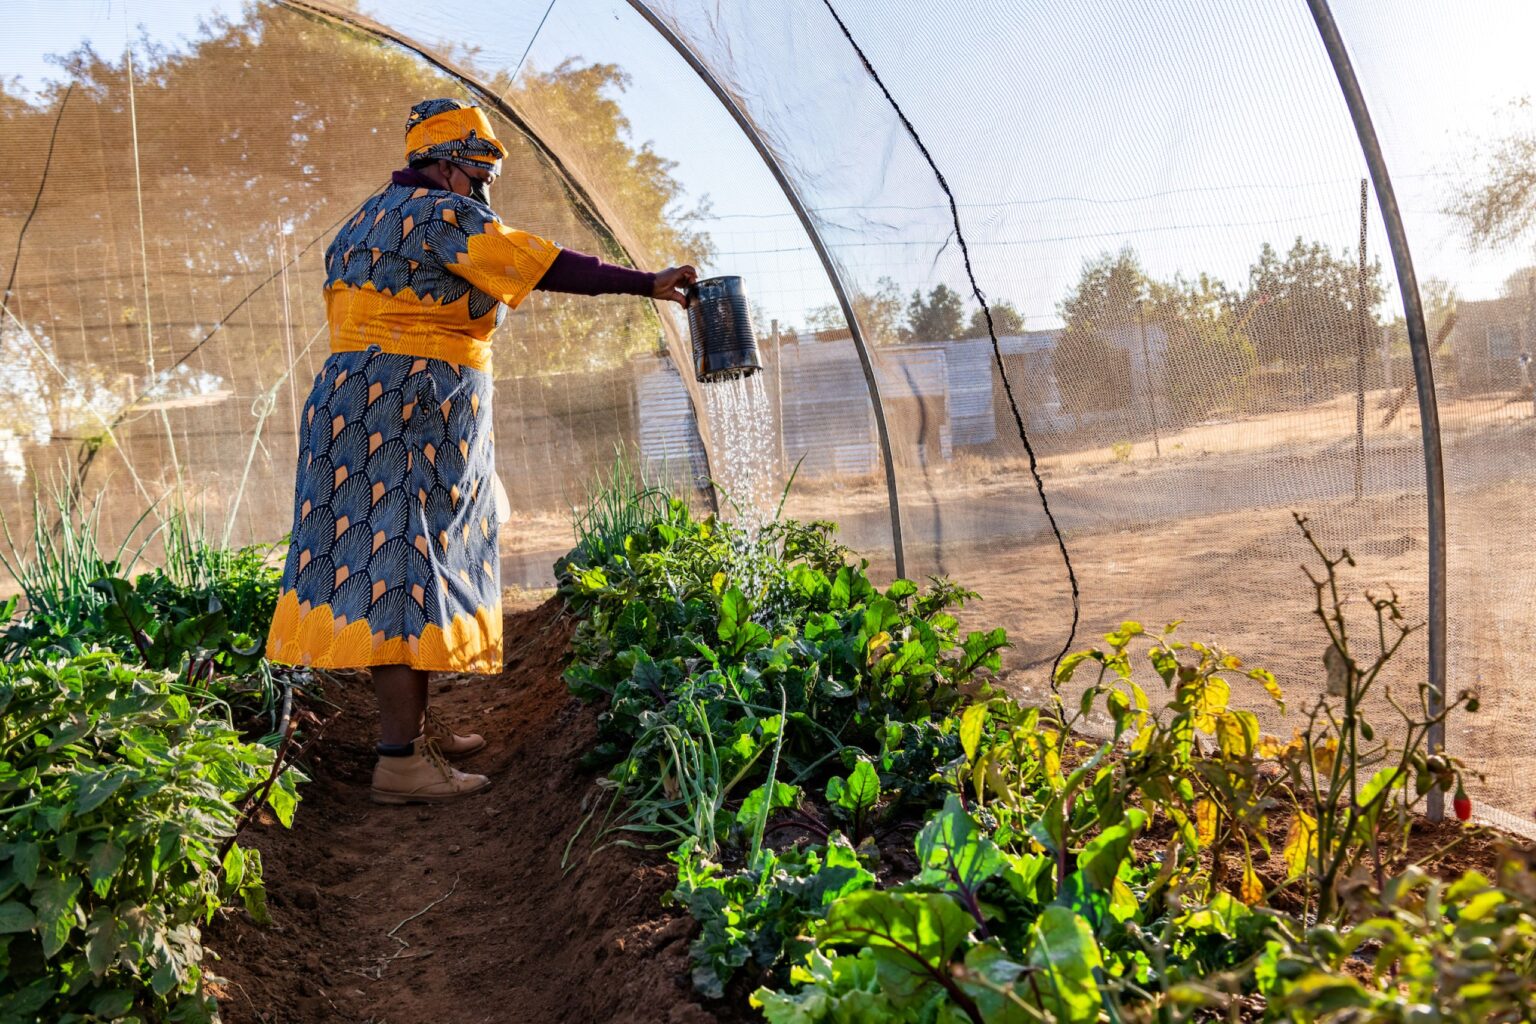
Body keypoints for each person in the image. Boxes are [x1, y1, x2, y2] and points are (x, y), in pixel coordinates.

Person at [265, 98, 696, 804]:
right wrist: (643, 284)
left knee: (398, 561)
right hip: (405, 410)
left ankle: (415, 733)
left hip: (357, 407)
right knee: (403, 570)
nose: (482, 191)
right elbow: (540, 261)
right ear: (444, 164)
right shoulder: (442, 216)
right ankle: (400, 761)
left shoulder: (363, 220)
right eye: (477, 173)